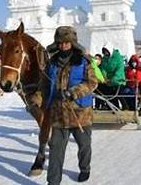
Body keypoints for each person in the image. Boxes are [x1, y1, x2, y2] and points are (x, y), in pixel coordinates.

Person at [45, 26, 98, 184]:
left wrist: (73, 92)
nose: (63, 46)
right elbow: (45, 84)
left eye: (66, 43)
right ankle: (53, 182)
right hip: (59, 114)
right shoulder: (52, 62)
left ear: (72, 43)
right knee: (55, 150)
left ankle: (85, 167)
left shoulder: (84, 61)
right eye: (60, 43)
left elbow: (92, 82)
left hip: (80, 113)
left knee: (84, 145)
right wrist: (39, 97)